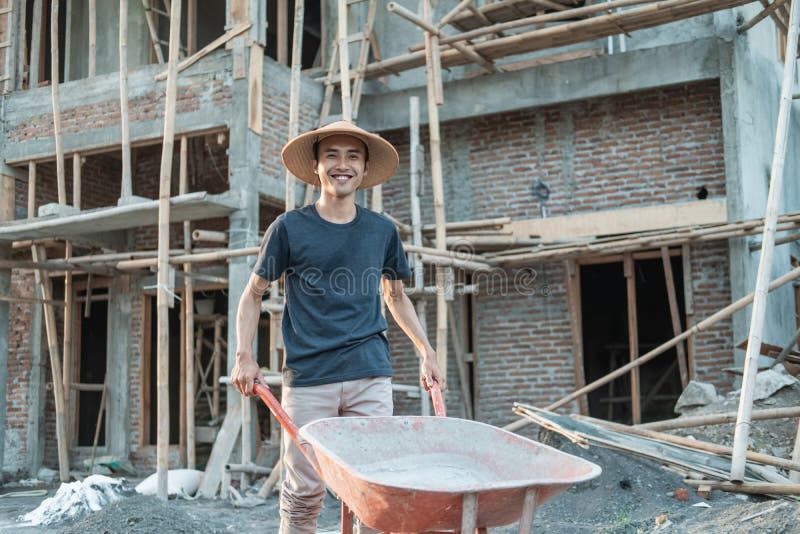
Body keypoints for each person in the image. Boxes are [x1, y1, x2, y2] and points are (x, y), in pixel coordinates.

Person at [231, 120, 446, 534]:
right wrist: (244, 356)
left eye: (352, 157)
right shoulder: (290, 228)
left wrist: (426, 351)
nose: (341, 165)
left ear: (364, 169)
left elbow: (396, 297)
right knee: (305, 491)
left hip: (370, 374)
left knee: (376, 490)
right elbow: (252, 295)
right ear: (316, 166)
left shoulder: (381, 230)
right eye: (332, 155)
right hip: (310, 378)